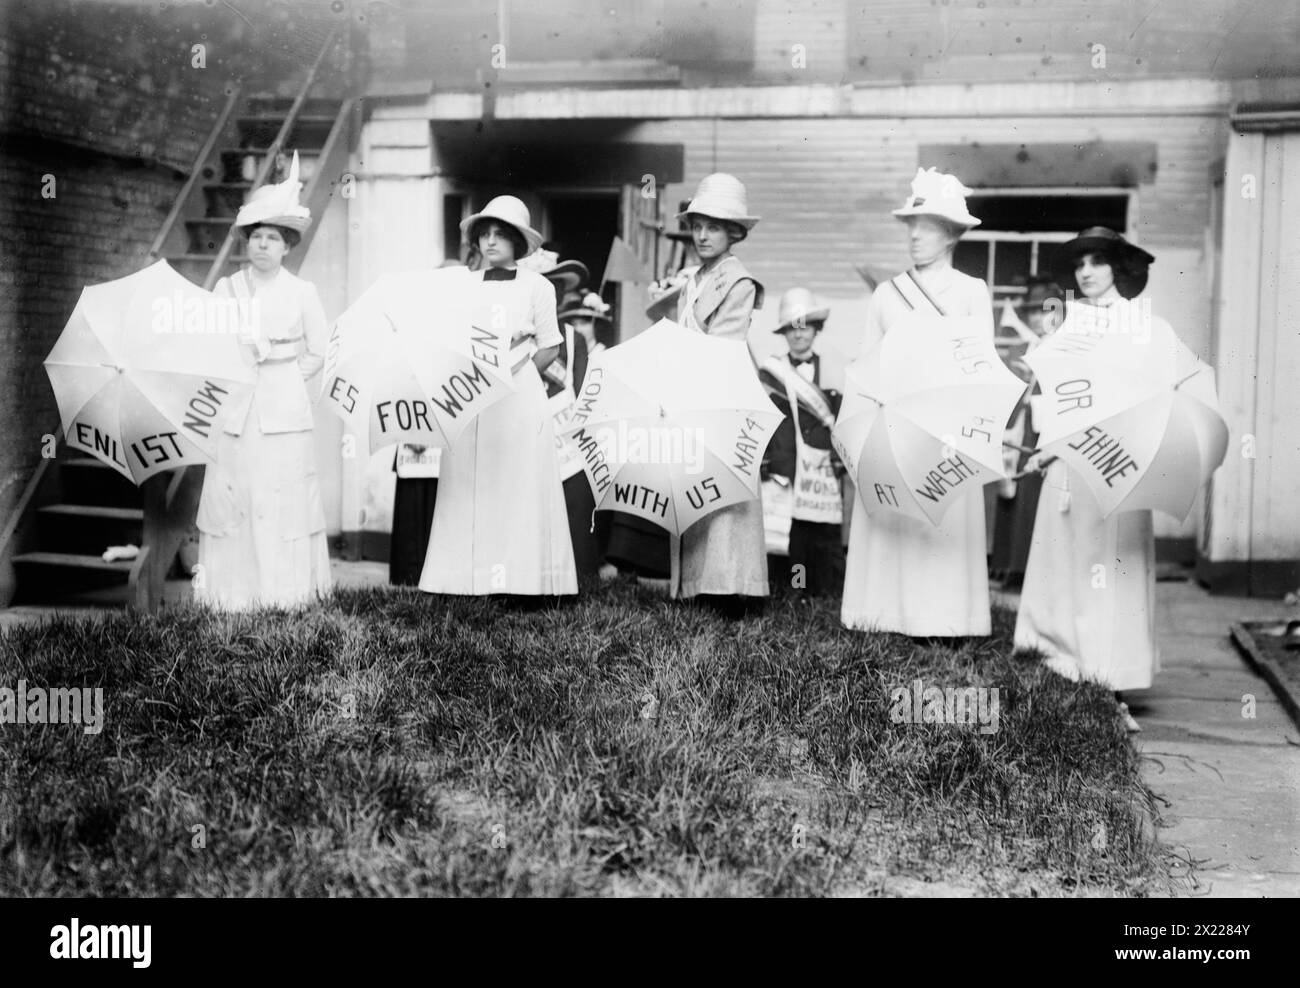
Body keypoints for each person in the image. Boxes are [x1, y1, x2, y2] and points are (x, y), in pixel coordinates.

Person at [1013, 227, 1159, 732]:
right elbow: (1057, 392)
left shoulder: (1137, 323)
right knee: (1068, 558)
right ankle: (1064, 660)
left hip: (1116, 455)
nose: (1087, 272)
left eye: (1098, 262)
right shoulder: (1070, 323)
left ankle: (1110, 676)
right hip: (1070, 456)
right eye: (1080, 265)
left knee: (1110, 563)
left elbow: (1145, 390)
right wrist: (1047, 448)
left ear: (1118, 267)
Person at [841, 167, 993, 637]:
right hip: (897, 424)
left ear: (950, 234)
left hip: (948, 426)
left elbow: (981, 367)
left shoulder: (971, 292)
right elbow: (866, 365)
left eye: (926, 227)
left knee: (942, 523)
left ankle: (944, 621)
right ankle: (886, 614)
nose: (915, 237)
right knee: (894, 523)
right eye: (911, 227)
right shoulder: (888, 295)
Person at [418, 196, 578, 598]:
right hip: (471, 394)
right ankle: (462, 578)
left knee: (518, 481)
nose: (490, 242)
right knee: (471, 480)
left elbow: (551, 346)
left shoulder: (538, 286)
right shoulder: (462, 285)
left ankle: (521, 581)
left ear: (518, 243)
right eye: (484, 234)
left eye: (500, 235)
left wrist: (518, 376)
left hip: (520, 394)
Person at [195, 152, 332, 609]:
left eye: (272, 238)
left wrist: (287, 377)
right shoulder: (226, 289)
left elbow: (319, 350)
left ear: (287, 245)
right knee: (235, 495)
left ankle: (286, 595)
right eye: (256, 237)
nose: (262, 246)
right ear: (246, 242)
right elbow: (211, 346)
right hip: (237, 408)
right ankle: (233, 597)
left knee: (284, 498)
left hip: (284, 409)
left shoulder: (302, 293)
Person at [656, 173, 769, 613]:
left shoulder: (738, 282)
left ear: (734, 232)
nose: (702, 235)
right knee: (694, 487)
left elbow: (722, 347)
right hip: (690, 391)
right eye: (698, 225)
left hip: (722, 394)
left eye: (715, 227)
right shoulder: (693, 279)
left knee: (723, 498)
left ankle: (729, 590)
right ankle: (695, 585)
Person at [759, 287, 845, 597]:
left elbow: (841, 421)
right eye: (791, 328)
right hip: (786, 468)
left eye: (804, 326)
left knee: (820, 538)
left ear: (815, 329)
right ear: (783, 333)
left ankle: (821, 597)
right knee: (790, 543)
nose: (798, 335)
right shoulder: (771, 374)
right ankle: (794, 595)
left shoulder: (833, 371)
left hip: (821, 470)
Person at [989, 275, 1062, 587]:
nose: (1038, 318)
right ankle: (1005, 564)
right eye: (1032, 312)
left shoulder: (1063, 349)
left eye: (1044, 311)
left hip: (1044, 428)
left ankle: (1027, 567)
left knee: (1033, 495)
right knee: (1011, 491)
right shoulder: (1020, 348)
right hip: (1017, 427)